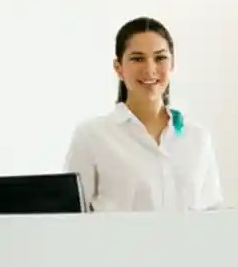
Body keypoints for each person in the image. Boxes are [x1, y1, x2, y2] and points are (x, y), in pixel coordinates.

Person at [65, 17, 223, 212]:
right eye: (137, 58)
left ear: (172, 64)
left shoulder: (198, 138)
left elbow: (213, 215)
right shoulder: (91, 136)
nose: (150, 69)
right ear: (119, 68)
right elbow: (72, 218)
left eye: (160, 58)